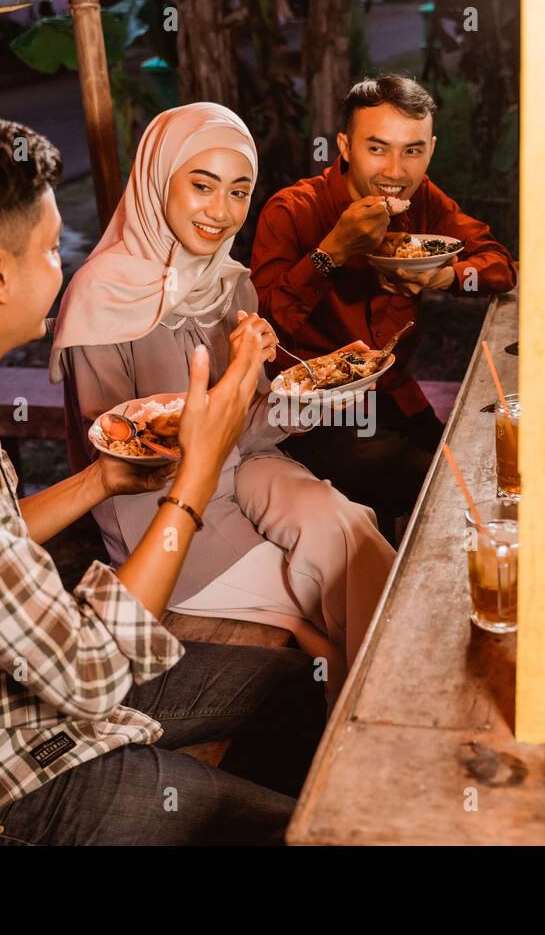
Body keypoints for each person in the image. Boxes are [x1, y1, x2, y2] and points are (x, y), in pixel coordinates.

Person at [0, 114, 326, 846]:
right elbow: (87, 675)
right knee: (310, 831)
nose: (63, 268)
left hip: (35, 698)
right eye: (51, 250)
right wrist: (197, 474)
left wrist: (105, 478)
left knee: (310, 691)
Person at [51, 103, 394, 690]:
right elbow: (125, 461)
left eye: (239, 192)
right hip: (157, 505)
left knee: (349, 533)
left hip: (242, 467)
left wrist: (302, 398)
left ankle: (410, 682)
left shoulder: (230, 282)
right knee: (312, 632)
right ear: (159, 179)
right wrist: (229, 392)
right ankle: (367, 728)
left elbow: (249, 431)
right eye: (202, 185)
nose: (221, 211)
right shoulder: (100, 298)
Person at [252, 75, 517, 542]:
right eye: (378, 149)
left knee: (476, 466)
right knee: (442, 493)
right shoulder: (292, 210)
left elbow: (499, 264)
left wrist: (445, 276)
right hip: (312, 415)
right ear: (345, 146)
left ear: (430, 150)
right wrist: (330, 252)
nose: (396, 170)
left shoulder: (424, 201)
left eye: (412, 151)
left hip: (394, 394)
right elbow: (266, 332)